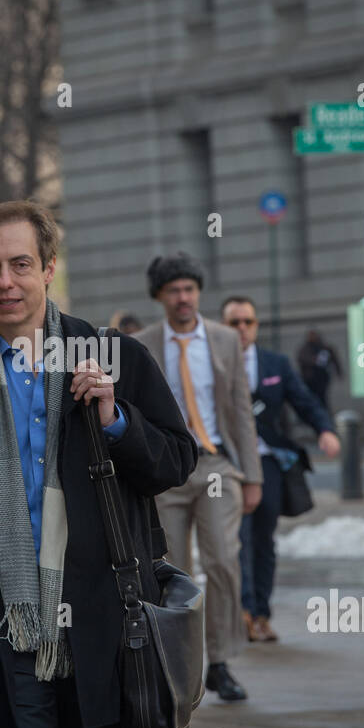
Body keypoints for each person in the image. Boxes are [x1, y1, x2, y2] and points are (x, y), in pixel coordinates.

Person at [0, 200, 195, 728]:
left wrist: (116, 418)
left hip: (100, 625)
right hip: (2, 625)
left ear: (48, 268)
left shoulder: (111, 354)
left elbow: (175, 460)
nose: (5, 282)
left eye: (19, 264)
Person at [135, 254, 262, 702]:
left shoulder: (226, 340)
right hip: (167, 469)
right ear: (159, 297)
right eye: (174, 291)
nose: (183, 298)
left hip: (216, 464)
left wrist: (252, 475)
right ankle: (179, 667)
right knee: (174, 573)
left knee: (224, 559)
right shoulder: (144, 343)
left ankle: (222, 661)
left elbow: (242, 412)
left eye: (189, 289)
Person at [221, 296, 340, 643]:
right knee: (235, 540)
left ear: (256, 325)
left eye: (248, 322)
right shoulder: (212, 361)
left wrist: (326, 430)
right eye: (234, 323)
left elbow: (304, 400)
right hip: (226, 464)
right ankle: (241, 612)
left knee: (262, 539)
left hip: (267, 460)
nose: (242, 329)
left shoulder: (276, 363)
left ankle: (261, 614)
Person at [296, 329, 343, 413]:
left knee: (322, 397)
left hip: (322, 378)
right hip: (309, 378)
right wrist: (314, 361)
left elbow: (335, 360)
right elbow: (302, 359)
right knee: (309, 397)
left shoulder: (325, 348)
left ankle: (324, 413)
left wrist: (339, 372)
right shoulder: (305, 349)